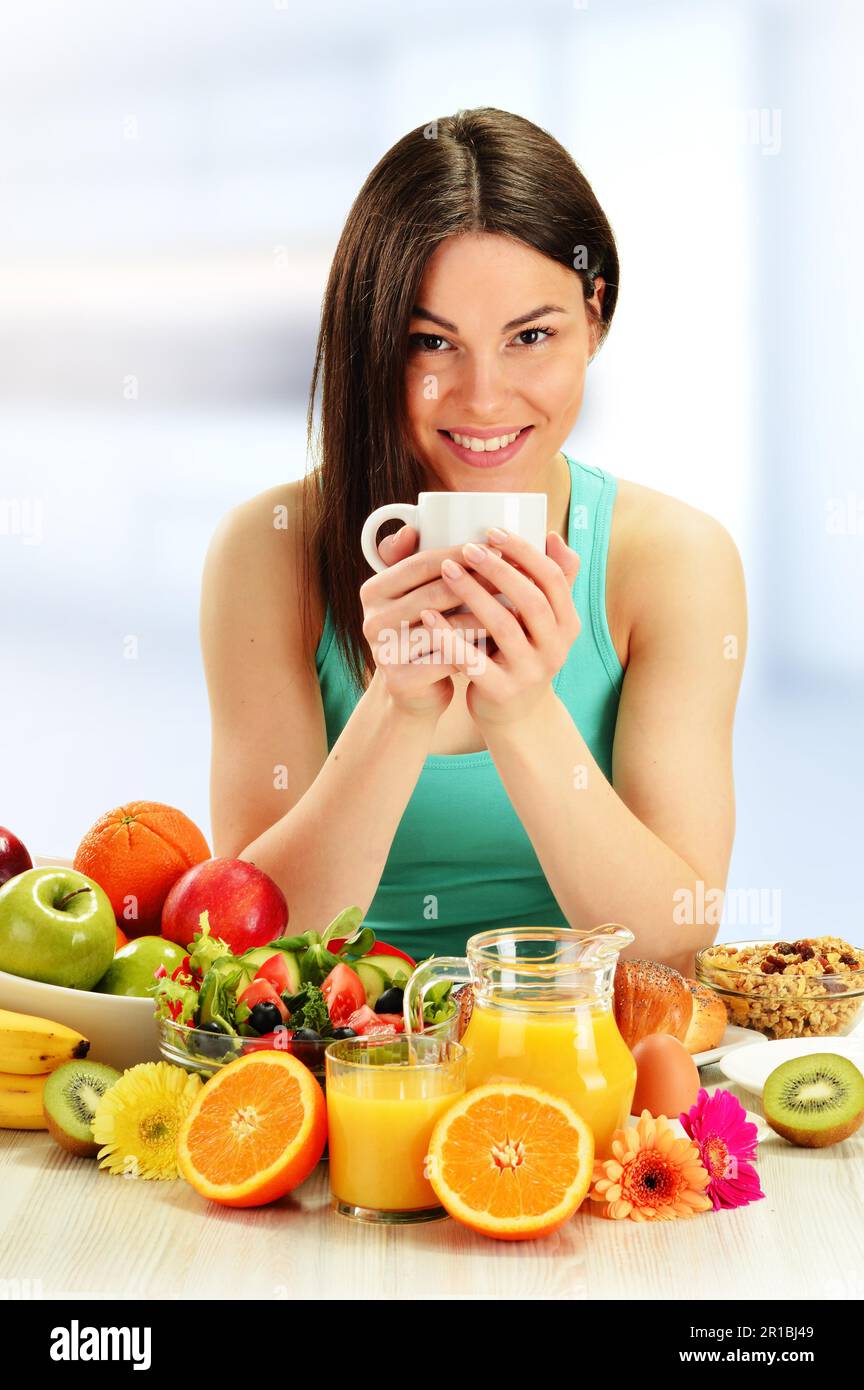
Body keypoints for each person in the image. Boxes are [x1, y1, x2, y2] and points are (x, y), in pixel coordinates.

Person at [200, 107, 747, 978]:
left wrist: (526, 714)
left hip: (567, 1047)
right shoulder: (266, 552)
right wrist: (396, 707)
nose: (485, 399)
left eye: (531, 337)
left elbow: (673, 936)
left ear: (595, 316)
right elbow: (255, 943)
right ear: (373, 342)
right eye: (431, 342)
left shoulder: (676, 561)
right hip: (341, 1047)